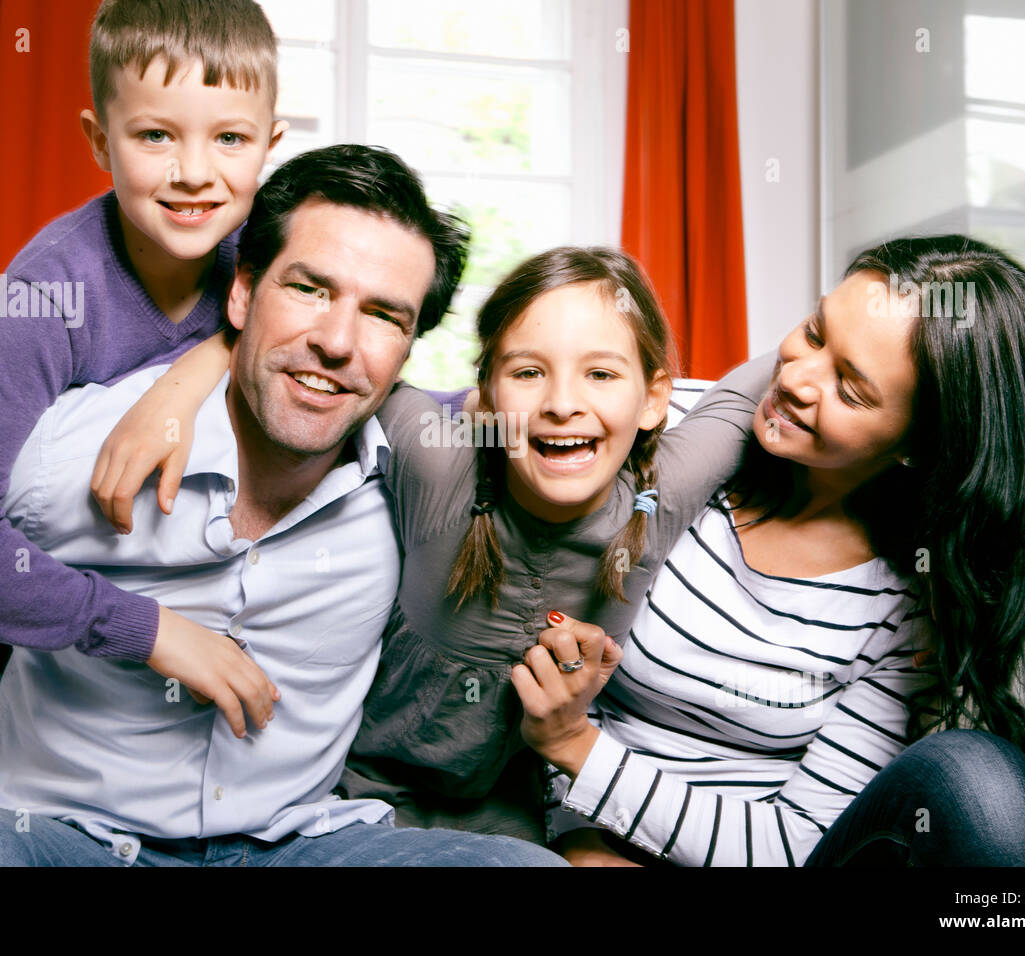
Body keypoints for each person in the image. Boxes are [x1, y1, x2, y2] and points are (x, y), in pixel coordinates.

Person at [0, 143, 565, 867]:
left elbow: (620, 410)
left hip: (296, 845)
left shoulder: (421, 477)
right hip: (64, 838)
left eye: (382, 316)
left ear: (406, 351)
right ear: (241, 292)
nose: (338, 341)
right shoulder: (73, 445)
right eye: (309, 289)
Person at [96, 246, 776, 842]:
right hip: (342, 797)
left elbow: (781, 370)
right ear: (485, 395)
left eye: (601, 374)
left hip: (504, 810)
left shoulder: (662, 496)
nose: (562, 403)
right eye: (528, 372)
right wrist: (177, 388)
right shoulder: (436, 457)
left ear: (655, 399)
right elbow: (326, 364)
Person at [0, 0, 289, 860]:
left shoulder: (266, 257)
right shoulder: (52, 287)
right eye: (155, 136)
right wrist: (149, 631)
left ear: (271, 142)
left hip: (91, 607)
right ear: (96, 139)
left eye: (229, 138)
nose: (195, 171)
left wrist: (185, 382)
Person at [512, 236, 1025, 866]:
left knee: (981, 774)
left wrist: (575, 747)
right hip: (597, 833)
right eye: (815, 333)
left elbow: (796, 844)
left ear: (919, 445)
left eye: (851, 390)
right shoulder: (668, 424)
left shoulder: (908, 601)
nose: (793, 379)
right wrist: (576, 825)